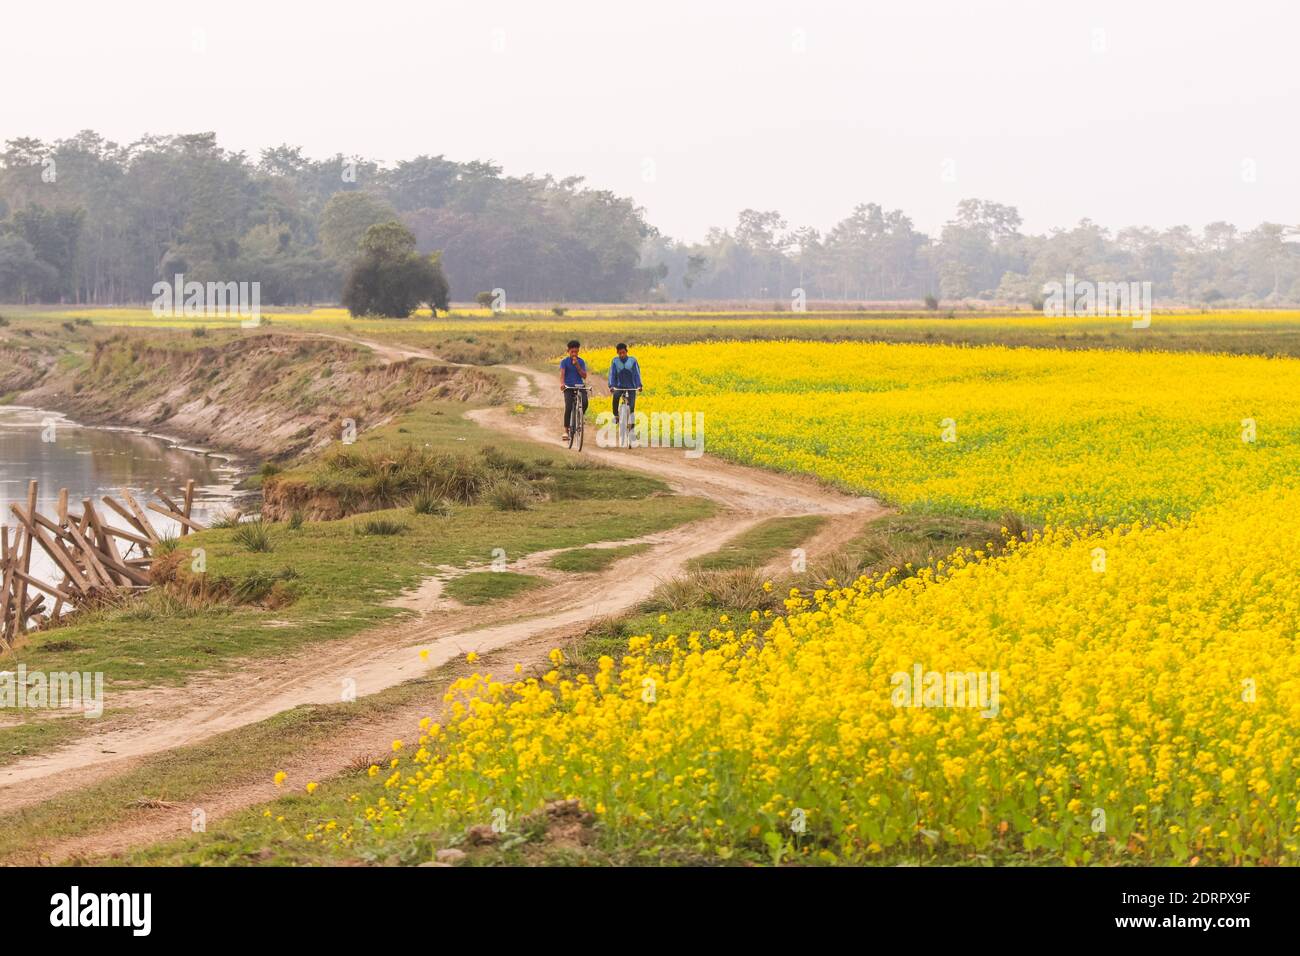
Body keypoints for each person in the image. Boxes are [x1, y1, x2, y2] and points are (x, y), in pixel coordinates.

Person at [607, 342, 643, 441]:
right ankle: (616, 415)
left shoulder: (633, 361)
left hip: (631, 387)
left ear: (627, 352)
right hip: (619, 387)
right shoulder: (615, 361)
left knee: (631, 409)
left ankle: (632, 432)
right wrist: (611, 386)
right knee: (615, 397)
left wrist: (639, 385)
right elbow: (612, 374)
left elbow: (637, 374)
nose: (622, 355)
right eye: (620, 353)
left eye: (623, 353)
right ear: (617, 353)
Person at [559, 339, 588, 442]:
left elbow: (584, 376)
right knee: (568, 406)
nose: (574, 354)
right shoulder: (564, 362)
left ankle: (580, 418)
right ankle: (566, 431)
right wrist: (562, 384)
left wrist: (577, 365)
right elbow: (562, 374)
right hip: (568, 387)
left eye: (576, 351)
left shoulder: (581, 361)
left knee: (585, 402)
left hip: (580, 386)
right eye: (572, 352)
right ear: (568, 351)